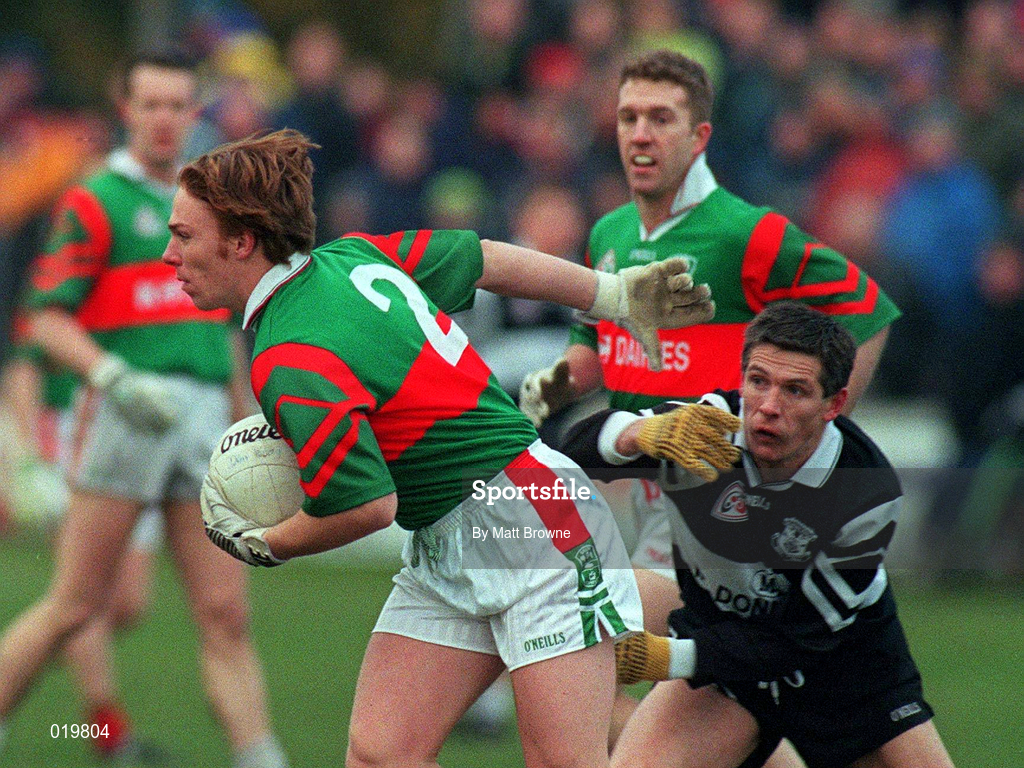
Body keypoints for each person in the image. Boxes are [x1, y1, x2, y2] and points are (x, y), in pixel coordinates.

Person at [160, 128, 715, 768]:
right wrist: (612, 294)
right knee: (379, 754)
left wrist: (267, 542)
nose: (169, 254)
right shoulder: (352, 257)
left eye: (184, 234)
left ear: (241, 242)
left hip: (529, 521)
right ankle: (735, 601)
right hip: (455, 532)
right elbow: (484, 258)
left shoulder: (289, 356)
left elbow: (368, 507)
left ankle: (751, 611)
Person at [518, 49, 901, 749]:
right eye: (629, 116)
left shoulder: (743, 231)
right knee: (686, 680)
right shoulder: (608, 233)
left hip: (713, 499)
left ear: (699, 137)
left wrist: (822, 440)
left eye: (661, 118)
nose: (640, 133)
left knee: (571, 624)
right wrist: (550, 388)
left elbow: (868, 310)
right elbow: (595, 351)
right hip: (639, 474)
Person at [0, 51, 289, 768]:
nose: (165, 119)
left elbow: (221, 330)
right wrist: (117, 377)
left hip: (197, 424)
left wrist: (248, 417)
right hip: (127, 416)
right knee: (79, 604)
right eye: (151, 104)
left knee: (225, 615)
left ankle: (261, 759)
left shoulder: (212, 202)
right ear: (125, 109)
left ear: (195, 113)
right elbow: (44, 320)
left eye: (178, 105)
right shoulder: (94, 198)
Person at [561, 301, 955, 768]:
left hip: (844, 672)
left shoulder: (864, 488)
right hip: (722, 668)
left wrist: (669, 658)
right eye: (758, 381)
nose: (768, 407)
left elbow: (800, 639)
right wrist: (642, 434)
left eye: (795, 390)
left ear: (834, 404)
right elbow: (572, 455)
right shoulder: (709, 427)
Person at [0, 320, 167, 763]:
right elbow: (26, 360)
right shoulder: (73, 263)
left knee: (127, 601)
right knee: (81, 600)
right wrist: (28, 460)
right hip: (75, 433)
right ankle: (108, 730)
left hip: (139, 435)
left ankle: (14, 667)